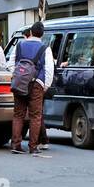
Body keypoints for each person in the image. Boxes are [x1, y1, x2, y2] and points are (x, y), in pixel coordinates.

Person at [9, 21, 54, 156]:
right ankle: (33, 147)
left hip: (20, 83)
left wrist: (17, 76)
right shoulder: (45, 48)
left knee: (18, 114)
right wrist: (44, 85)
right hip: (36, 84)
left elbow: (11, 63)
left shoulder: (20, 45)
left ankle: (16, 144)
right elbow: (49, 69)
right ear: (42, 34)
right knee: (35, 116)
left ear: (31, 32)